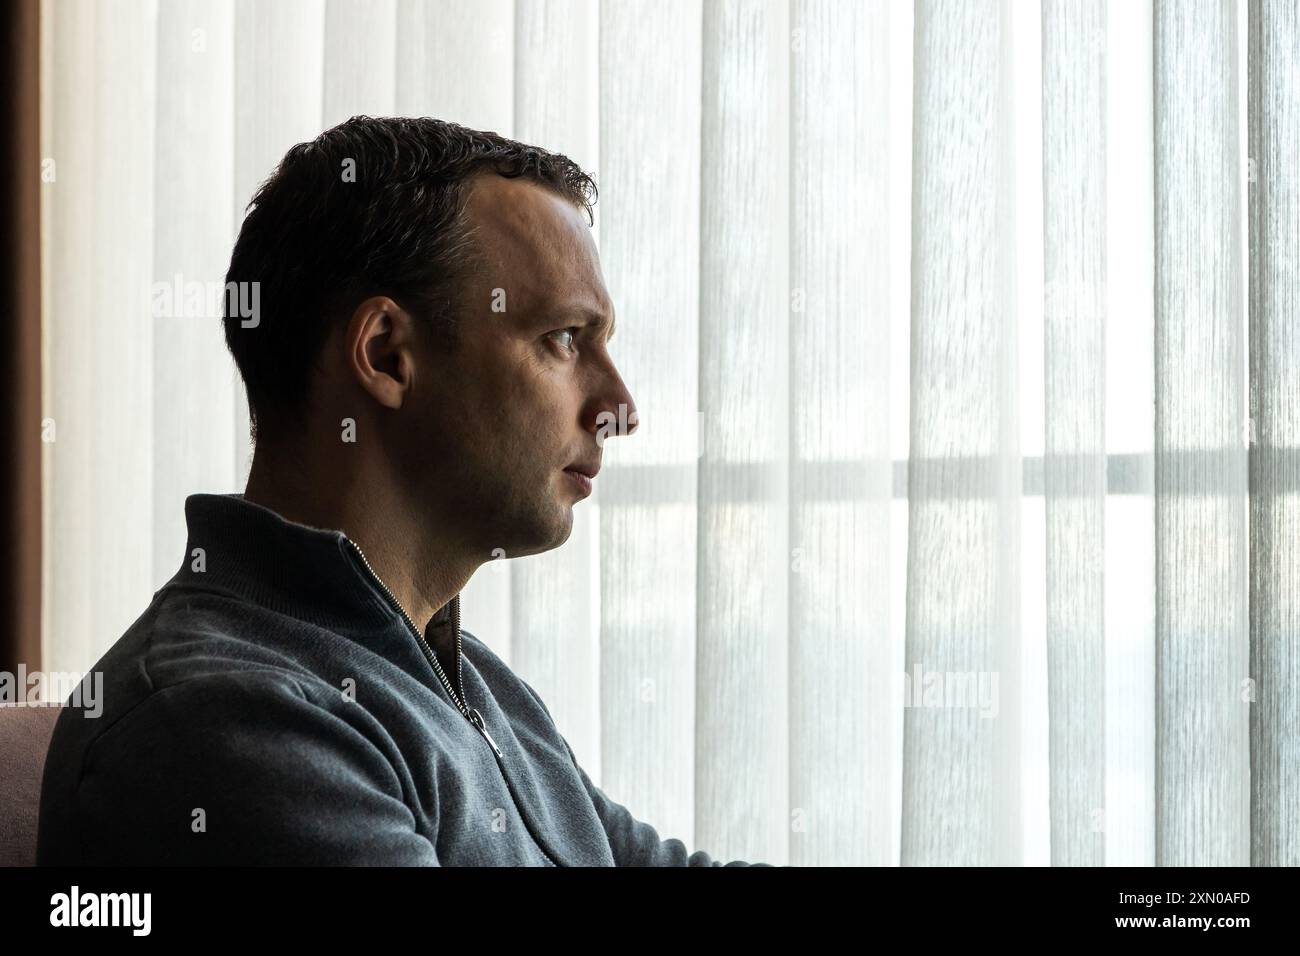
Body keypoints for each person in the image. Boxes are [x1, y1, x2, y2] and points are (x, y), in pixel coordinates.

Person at [36, 116, 766, 866]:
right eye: (564, 339)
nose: (620, 409)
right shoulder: (226, 717)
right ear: (386, 356)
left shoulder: (470, 682)